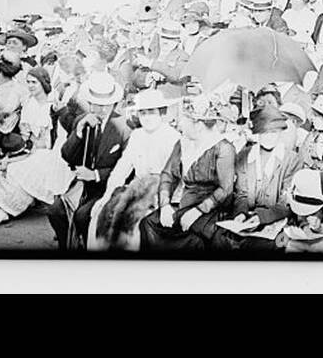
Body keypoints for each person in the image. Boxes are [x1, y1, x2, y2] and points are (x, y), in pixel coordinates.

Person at [87, 89, 183, 250]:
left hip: (164, 196)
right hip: (138, 191)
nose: (147, 118)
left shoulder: (172, 137)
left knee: (135, 227)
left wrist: (163, 205)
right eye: (143, 113)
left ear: (161, 112)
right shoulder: (137, 136)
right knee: (101, 215)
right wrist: (106, 195)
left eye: (151, 112)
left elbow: (174, 177)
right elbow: (121, 169)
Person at [0, 66, 74, 224]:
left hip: (49, 151)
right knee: (2, 165)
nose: (30, 85)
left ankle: (8, 210)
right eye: (28, 82)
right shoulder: (29, 103)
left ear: (43, 83)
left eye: (34, 82)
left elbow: (51, 139)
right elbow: (25, 134)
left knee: (20, 168)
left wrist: (30, 151)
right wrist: (17, 153)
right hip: (31, 147)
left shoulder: (52, 103)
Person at [140, 97, 236, 252]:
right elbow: (167, 175)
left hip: (211, 209)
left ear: (198, 125)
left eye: (184, 121)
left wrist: (198, 211)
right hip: (185, 204)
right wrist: (165, 205)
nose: (179, 125)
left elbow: (226, 189)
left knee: (194, 238)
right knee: (148, 224)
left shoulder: (224, 148)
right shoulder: (183, 143)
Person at [47, 72, 130, 250]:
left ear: (113, 104)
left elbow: (127, 169)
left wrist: (96, 175)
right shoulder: (82, 120)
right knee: (55, 210)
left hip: (108, 189)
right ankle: (66, 246)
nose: (99, 110)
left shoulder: (124, 127)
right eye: (95, 104)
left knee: (83, 216)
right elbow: (67, 156)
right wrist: (78, 132)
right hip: (81, 187)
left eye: (104, 106)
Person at [212, 106, 301, 251]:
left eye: (274, 132)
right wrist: (240, 215)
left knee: (269, 246)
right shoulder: (245, 155)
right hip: (249, 217)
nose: (270, 136)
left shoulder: (292, 160)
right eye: (265, 132)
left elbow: (287, 203)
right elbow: (242, 194)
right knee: (219, 240)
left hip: (277, 219)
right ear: (257, 133)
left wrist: (261, 217)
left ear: (280, 133)